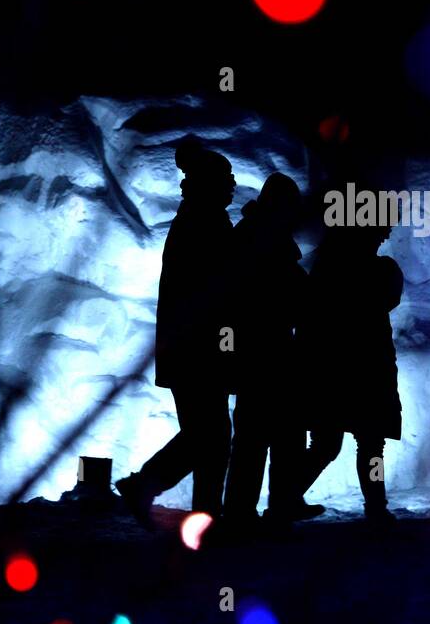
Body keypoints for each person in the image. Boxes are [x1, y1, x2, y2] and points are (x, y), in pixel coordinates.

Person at [115, 138, 236, 528]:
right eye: (226, 178)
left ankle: (189, 506)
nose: (232, 185)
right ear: (212, 183)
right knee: (210, 435)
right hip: (197, 351)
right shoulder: (206, 222)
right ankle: (152, 489)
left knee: (208, 435)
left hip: (190, 349)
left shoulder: (197, 218)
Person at [221, 173, 325, 527]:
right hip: (263, 351)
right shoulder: (259, 240)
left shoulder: (255, 235)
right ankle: (248, 513)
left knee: (276, 437)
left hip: (266, 351)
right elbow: (268, 294)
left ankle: (263, 508)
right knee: (263, 438)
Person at [296, 218, 404, 524]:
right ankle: (375, 508)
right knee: (368, 443)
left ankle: (286, 497)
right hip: (365, 367)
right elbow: (385, 300)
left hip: (336, 368)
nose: (385, 234)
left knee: (329, 444)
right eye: (382, 227)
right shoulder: (375, 270)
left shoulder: (328, 266)